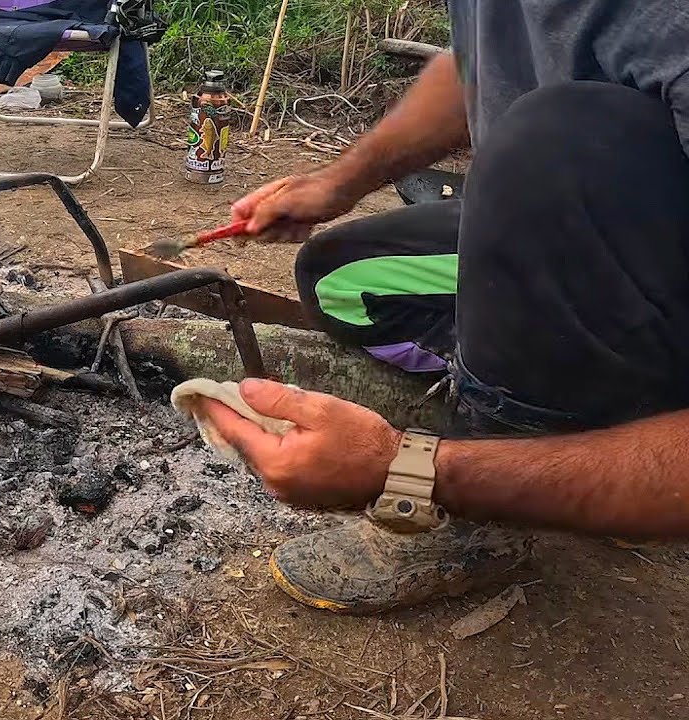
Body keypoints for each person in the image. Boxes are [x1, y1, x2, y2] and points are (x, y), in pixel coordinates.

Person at [205, 2, 689, 614]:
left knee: (557, 136)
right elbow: (477, 63)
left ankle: (501, 479)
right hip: (573, 222)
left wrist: (418, 469)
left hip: (642, 249)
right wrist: (339, 182)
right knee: (347, 278)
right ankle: (571, 407)